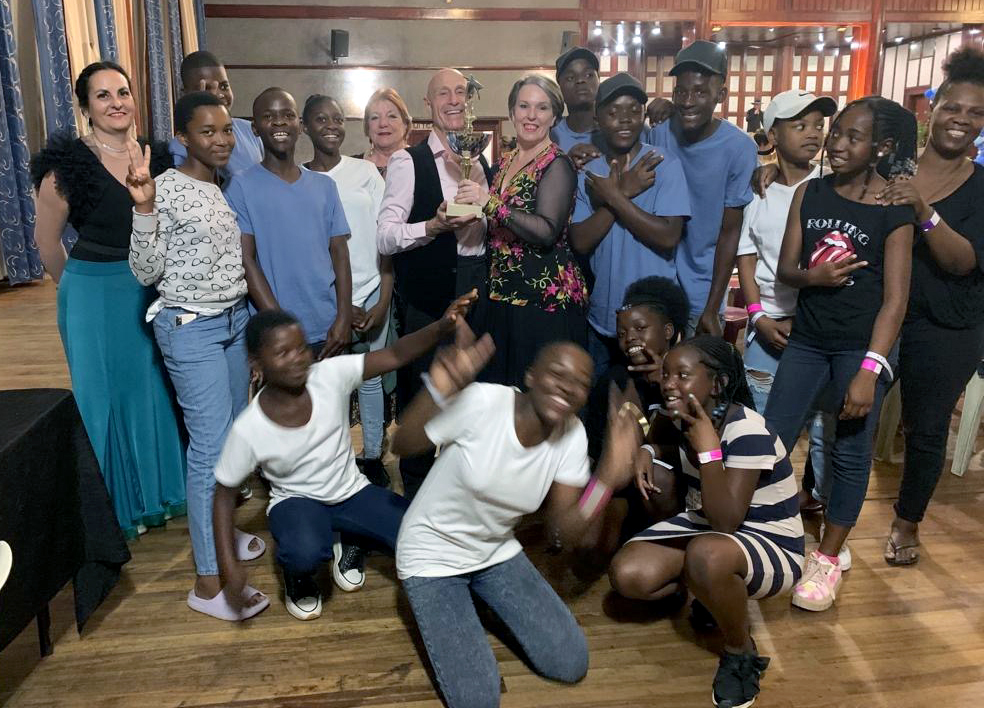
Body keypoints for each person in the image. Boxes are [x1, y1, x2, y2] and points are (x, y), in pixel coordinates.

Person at [392, 321, 641, 708]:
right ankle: (459, 607)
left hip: (494, 551)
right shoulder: (483, 403)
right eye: (557, 373)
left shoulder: (572, 435)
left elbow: (560, 536)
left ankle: (483, 603)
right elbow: (403, 444)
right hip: (432, 558)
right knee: (478, 701)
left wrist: (605, 480)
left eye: (579, 383)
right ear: (530, 376)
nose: (567, 387)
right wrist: (438, 390)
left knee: (570, 661)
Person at [212, 292, 475, 621]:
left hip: (351, 492)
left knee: (416, 531)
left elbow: (394, 353)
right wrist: (228, 567)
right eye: (282, 352)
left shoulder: (329, 375)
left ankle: (350, 537)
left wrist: (440, 327)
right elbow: (223, 497)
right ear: (256, 363)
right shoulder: (249, 428)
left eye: (300, 347)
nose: (297, 358)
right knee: (303, 551)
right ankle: (299, 577)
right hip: (296, 501)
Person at [765, 97, 917, 611]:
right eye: (839, 134)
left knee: (851, 453)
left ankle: (828, 559)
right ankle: (767, 529)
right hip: (807, 340)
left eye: (854, 137)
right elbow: (787, 269)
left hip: (859, 348)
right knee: (773, 440)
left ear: (883, 148)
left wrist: (870, 372)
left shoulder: (893, 208)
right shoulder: (810, 192)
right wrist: (815, 277)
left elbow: (896, 300)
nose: (838, 144)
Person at [30, 61, 186, 539]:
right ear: (85, 108)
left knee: (150, 390)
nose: (116, 102)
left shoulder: (160, 159)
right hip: (92, 294)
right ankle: (113, 507)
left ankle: (158, 495)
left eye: (123, 91)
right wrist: (78, 291)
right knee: (104, 400)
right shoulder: (67, 168)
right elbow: (46, 245)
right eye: (102, 95)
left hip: (147, 289)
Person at [126, 91, 265, 618]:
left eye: (227, 130)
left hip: (232, 323)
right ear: (182, 137)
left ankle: (224, 540)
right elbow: (144, 271)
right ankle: (209, 580)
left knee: (231, 441)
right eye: (207, 132)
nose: (222, 140)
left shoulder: (225, 185)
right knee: (208, 451)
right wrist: (142, 207)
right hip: (191, 327)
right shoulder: (163, 188)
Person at [609, 336, 804, 708]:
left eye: (682, 375)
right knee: (628, 574)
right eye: (666, 374)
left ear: (716, 385)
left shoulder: (747, 430)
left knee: (708, 556)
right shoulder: (679, 416)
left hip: (769, 538)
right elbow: (663, 435)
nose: (669, 383)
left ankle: (740, 652)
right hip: (711, 527)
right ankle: (714, 595)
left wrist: (709, 449)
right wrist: (649, 450)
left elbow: (728, 521)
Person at [874, 47, 984, 566]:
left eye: (976, 113)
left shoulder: (981, 186)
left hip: (949, 324)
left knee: (926, 428)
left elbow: (963, 262)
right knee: (848, 409)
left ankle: (905, 522)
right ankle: (818, 498)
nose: (962, 119)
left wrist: (924, 210)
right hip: (882, 314)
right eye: (953, 107)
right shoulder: (892, 167)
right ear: (932, 108)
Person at [376, 68, 491, 499]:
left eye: (461, 91)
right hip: (428, 299)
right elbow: (384, 236)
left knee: (472, 404)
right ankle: (415, 507)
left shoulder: (482, 162)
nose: (454, 99)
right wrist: (431, 226)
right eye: (443, 93)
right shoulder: (410, 161)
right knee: (422, 403)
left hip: (480, 291)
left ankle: (464, 500)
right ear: (428, 105)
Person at [737, 89, 841, 530]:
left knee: (823, 433)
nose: (813, 134)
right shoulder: (759, 190)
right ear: (773, 134)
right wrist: (758, 315)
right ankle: (768, 509)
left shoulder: (836, 189)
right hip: (768, 330)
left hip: (819, 331)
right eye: (800, 126)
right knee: (765, 428)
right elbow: (746, 256)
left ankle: (821, 511)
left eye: (818, 125)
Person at [453, 74, 588, 387]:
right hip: (503, 295)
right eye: (523, 106)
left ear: (553, 116)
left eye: (541, 108)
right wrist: (462, 215)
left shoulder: (557, 164)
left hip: (544, 301)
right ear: (511, 112)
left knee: (537, 397)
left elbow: (546, 230)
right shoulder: (505, 161)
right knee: (503, 397)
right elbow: (500, 222)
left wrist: (488, 204)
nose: (531, 115)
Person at [570, 73, 691, 379]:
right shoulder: (590, 171)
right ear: (597, 117)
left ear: (643, 114)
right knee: (600, 408)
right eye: (613, 112)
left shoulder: (664, 165)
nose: (624, 120)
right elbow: (581, 241)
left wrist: (614, 195)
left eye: (633, 111)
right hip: (603, 316)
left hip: (651, 321)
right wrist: (624, 190)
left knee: (650, 408)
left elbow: (668, 236)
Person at [302, 94, 392, 487]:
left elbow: (386, 239)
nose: (331, 126)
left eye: (338, 119)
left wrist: (383, 299)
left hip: (372, 290)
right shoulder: (300, 179)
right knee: (333, 380)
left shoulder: (366, 172)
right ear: (305, 127)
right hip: (326, 296)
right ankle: (336, 459)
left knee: (369, 378)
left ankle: (372, 456)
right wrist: (341, 306)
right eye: (321, 120)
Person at [225, 88, 353, 360]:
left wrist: (343, 318)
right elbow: (246, 261)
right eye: (268, 116)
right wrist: (281, 324)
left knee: (331, 403)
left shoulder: (324, 186)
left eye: (287, 115)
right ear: (255, 128)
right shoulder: (241, 185)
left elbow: (340, 254)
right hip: (276, 333)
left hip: (328, 327)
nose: (280, 122)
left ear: (299, 125)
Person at [645, 40, 758, 336]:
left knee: (695, 375)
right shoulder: (659, 134)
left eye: (699, 91)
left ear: (720, 95)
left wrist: (712, 306)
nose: (687, 101)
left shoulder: (739, 148)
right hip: (659, 280)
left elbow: (729, 231)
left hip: (703, 287)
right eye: (680, 91)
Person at [584, 275, 689, 462]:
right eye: (621, 333)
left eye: (640, 328)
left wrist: (664, 384)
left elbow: (688, 439)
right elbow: (596, 447)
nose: (630, 337)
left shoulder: (689, 374)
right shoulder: (615, 380)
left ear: (667, 331)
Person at [169, 51, 263, 179]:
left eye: (224, 86)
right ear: (185, 94)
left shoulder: (250, 130)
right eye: (207, 89)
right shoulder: (181, 146)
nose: (218, 95)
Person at [354, 88, 412, 178]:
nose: (383, 124)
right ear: (367, 126)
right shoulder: (353, 166)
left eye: (391, 116)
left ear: (405, 123)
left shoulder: (423, 163)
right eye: (375, 117)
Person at [551, 47, 600, 153]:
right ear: (560, 87)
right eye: (570, 77)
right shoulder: (550, 136)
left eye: (588, 75)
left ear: (598, 80)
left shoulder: (620, 132)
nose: (580, 80)